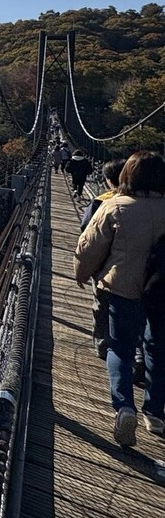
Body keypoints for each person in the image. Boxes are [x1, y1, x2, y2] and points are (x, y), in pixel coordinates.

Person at [75, 150, 165, 445]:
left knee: (121, 349)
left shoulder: (114, 206)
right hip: (162, 291)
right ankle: (155, 413)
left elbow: (89, 247)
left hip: (123, 289)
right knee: (158, 350)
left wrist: (82, 273)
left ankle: (124, 406)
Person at [81, 158, 126, 359]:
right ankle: (136, 353)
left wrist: (81, 270)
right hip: (142, 271)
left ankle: (103, 344)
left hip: (105, 269)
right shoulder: (151, 202)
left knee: (102, 307)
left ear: (108, 179)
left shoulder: (102, 201)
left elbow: (87, 234)